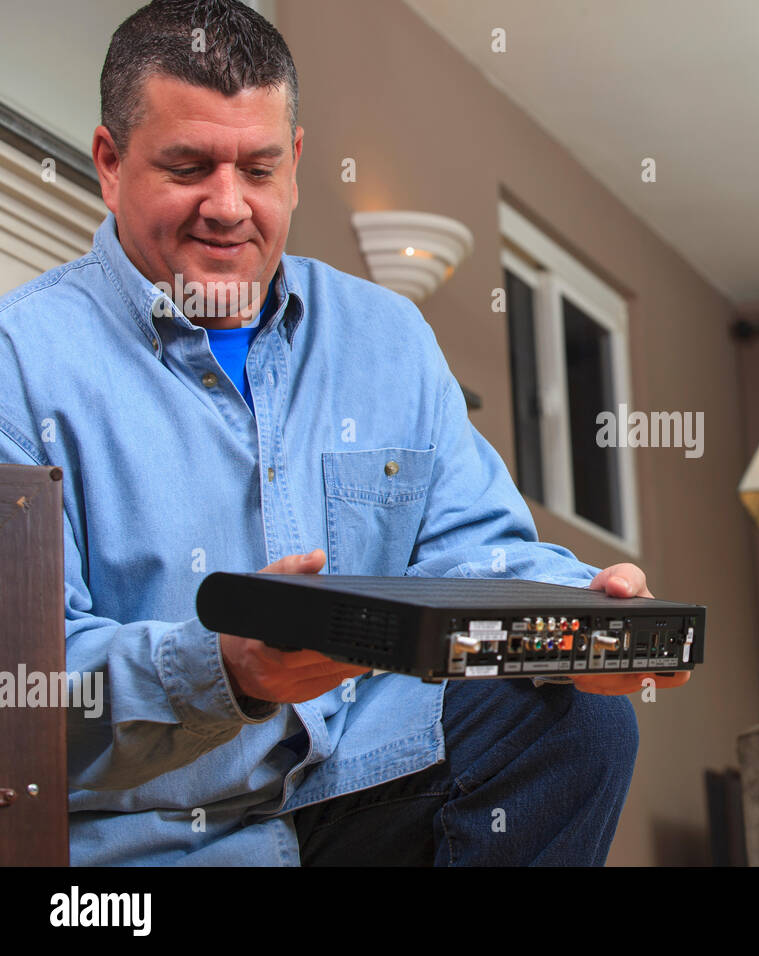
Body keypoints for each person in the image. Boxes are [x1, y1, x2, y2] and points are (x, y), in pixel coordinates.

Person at [0, 0, 686, 865]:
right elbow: (19, 694)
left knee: (580, 718)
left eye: (256, 167)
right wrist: (224, 669)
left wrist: (583, 614)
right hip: (153, 836)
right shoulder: (18, 362)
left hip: (347, 785)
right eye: (187, 166)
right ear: (108, 163)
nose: (228, 205)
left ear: (293, 163)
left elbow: (475, 555)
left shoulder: (386, 339)